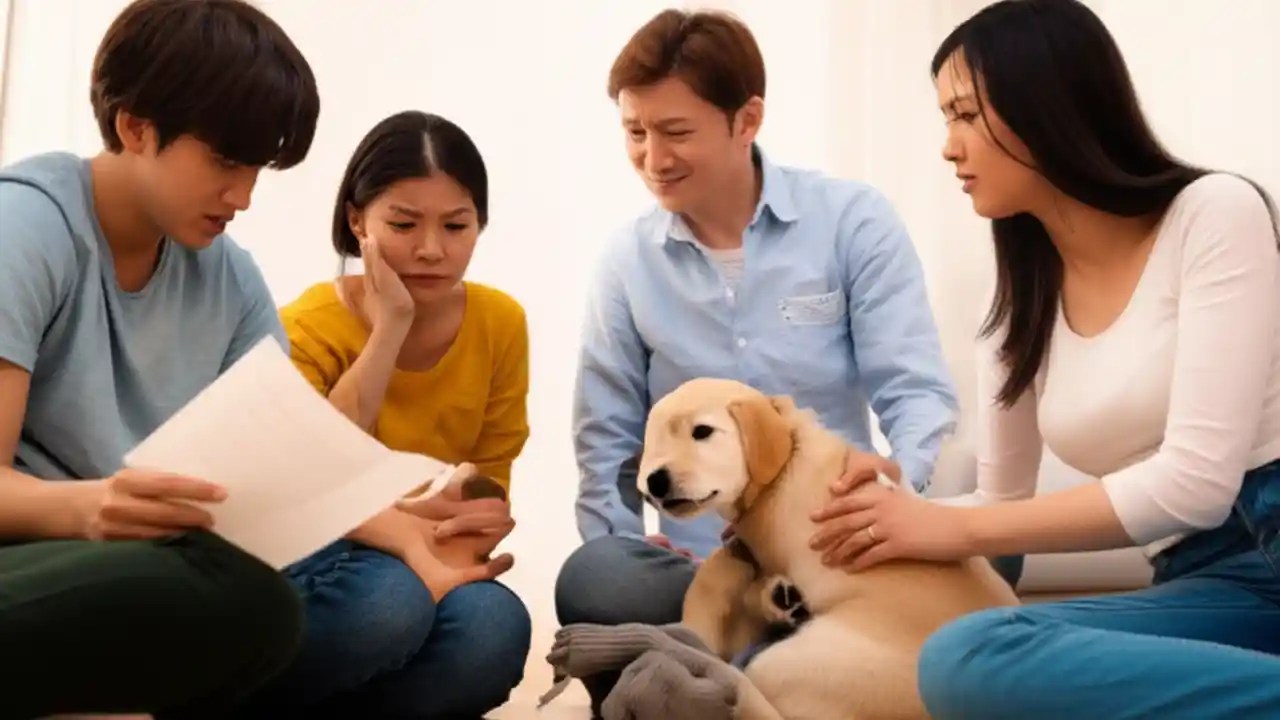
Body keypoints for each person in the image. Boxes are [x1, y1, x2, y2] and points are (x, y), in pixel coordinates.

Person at [806, 1, 1280, 718]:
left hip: (1268, 530)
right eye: (945, 118)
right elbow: (1001, 503)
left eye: (965, 114)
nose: (947, 146)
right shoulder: (1016, 314)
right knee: (967, 657)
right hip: (1208, 582)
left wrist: (947, 528)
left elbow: (1195, 483)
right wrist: (883, 512)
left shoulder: (1214, 214)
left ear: (1047, 102)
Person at [555, 7, 958, 708]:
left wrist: (903, 496)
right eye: (635, 132)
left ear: (747, 120)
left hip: (847, 547)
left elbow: (917, 394)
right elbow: (607, 444)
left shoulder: (852, 221)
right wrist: (633, 548)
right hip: (703, 564)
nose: (654, 158)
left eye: (677, 132)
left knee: (988, 542)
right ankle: (762, 651)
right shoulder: (625, 264)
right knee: (598, 578)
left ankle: (725, 666)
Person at [0, 0, 320, 716]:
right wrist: (88, 507)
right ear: (135, 126)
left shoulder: (229, 274)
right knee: (246, 602)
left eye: (259, 167)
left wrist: (417, 525)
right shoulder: (25, 228)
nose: (242, 196)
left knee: (342, 604)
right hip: (43, 545)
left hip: (132, 564)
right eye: (226, 162)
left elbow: (286, 459)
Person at [235, 110, 532, 718]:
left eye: (457, 225)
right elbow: (310, 477)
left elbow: (490, 471)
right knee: (387, 603)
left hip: (422, 547)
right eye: (403, 223)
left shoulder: (501, 323)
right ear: (357, 221)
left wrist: (474, 518)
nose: (431, 249)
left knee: (495, 628)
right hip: (314, 550)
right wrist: (389, 329)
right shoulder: (309, 324)